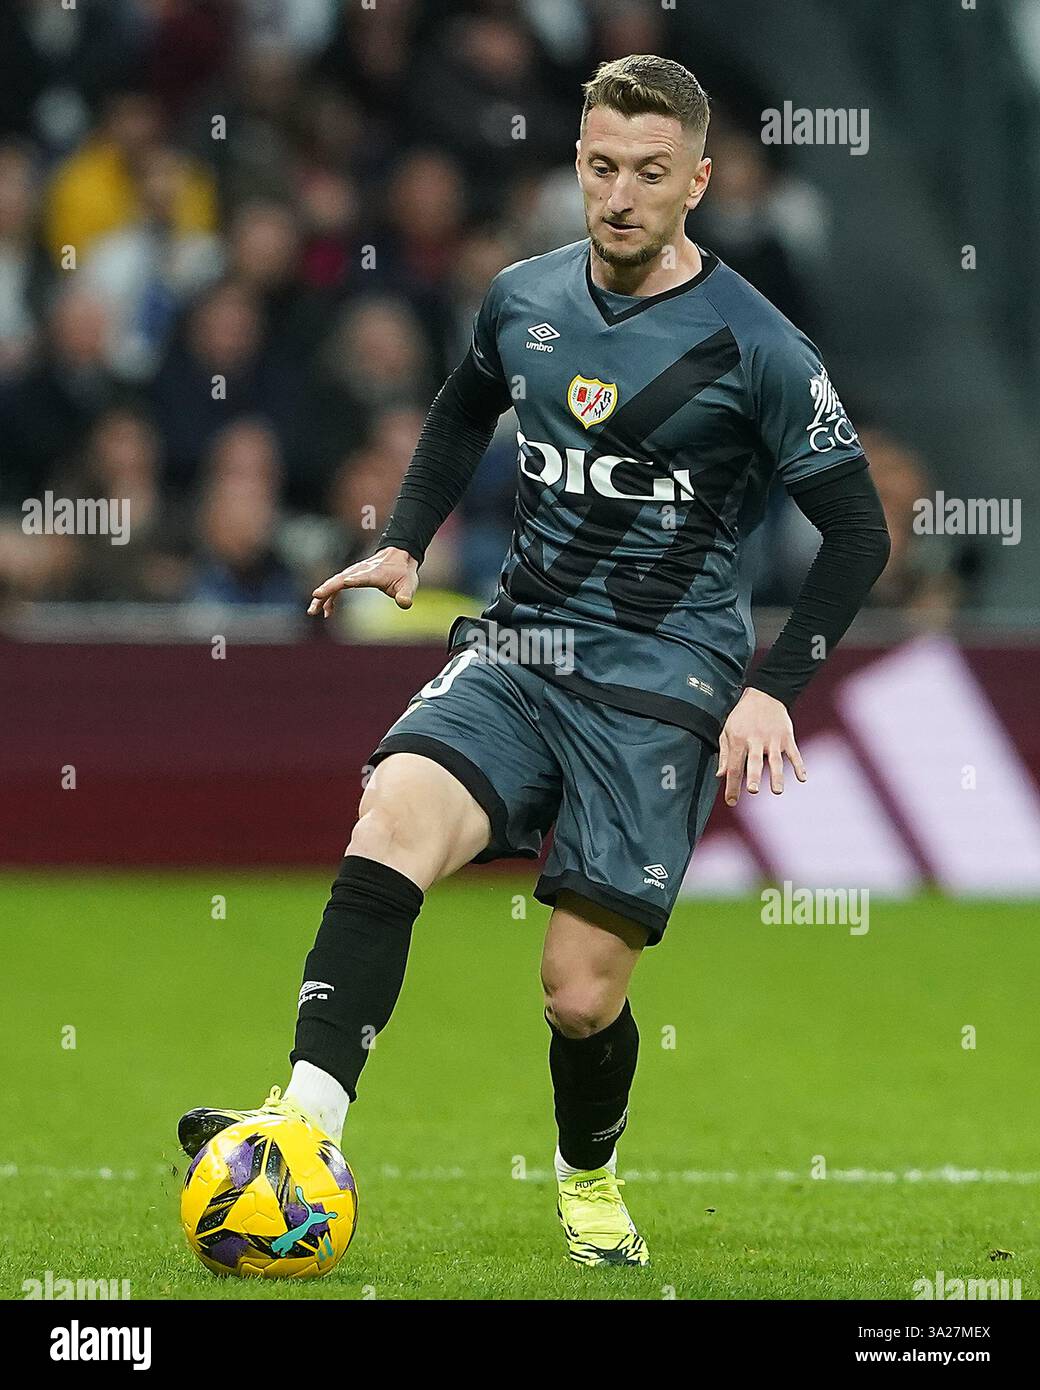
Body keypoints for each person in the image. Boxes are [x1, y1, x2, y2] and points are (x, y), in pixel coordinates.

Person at [177, 55, 890, 1268]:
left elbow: (859, 533)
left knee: (578, 994)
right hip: (520, 646)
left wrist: (772, 691)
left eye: (649, 174)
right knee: (393, 811)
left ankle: (587, 1170)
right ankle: (303, 1127)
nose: (619, 194)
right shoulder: (521, 296)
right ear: (576, 162)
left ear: (697, 183)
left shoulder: (761, 348)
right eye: (601, 165)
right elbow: (463, 406)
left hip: (661, 684)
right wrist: (404, 540)